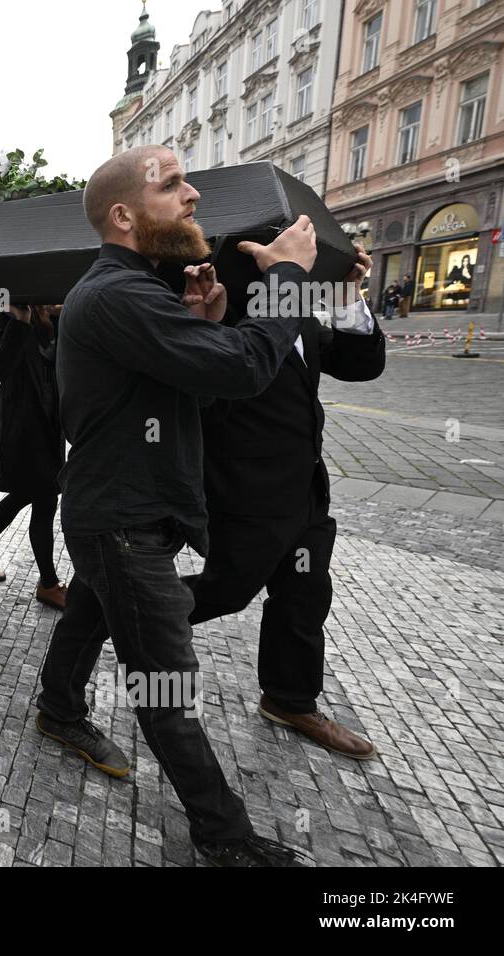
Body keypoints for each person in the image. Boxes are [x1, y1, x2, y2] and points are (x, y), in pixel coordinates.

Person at [37, 145, 317, 866]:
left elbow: (192, 386)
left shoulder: (136, 291)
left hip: (121, 516)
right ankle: (222, 834)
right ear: (126, 215)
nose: (192, 195)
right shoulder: (119, 295)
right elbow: (247, 370)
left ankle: (59, 709)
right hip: (122, 525)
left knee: (93, 611)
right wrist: (285, 276)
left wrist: (207, 319)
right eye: (174, 185)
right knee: (165, 686)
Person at [182, 242, 384, 760]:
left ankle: (289, 699)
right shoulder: (222, 325)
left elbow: (362, 365)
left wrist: (345, 295)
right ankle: (115, 609)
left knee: (304, 596)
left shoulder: (302, 321)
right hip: (246, 497)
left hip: (306, 494)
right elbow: (222, 387)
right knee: (225, 592)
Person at [0, 301, 67, 610]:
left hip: (50, 424)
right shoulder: (5, 313)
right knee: (44, 498)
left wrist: (59, 317)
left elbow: (59, 363)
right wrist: (21, 321)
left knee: (29, 494)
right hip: (22, 427)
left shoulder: (56, 313)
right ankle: (48, 583)